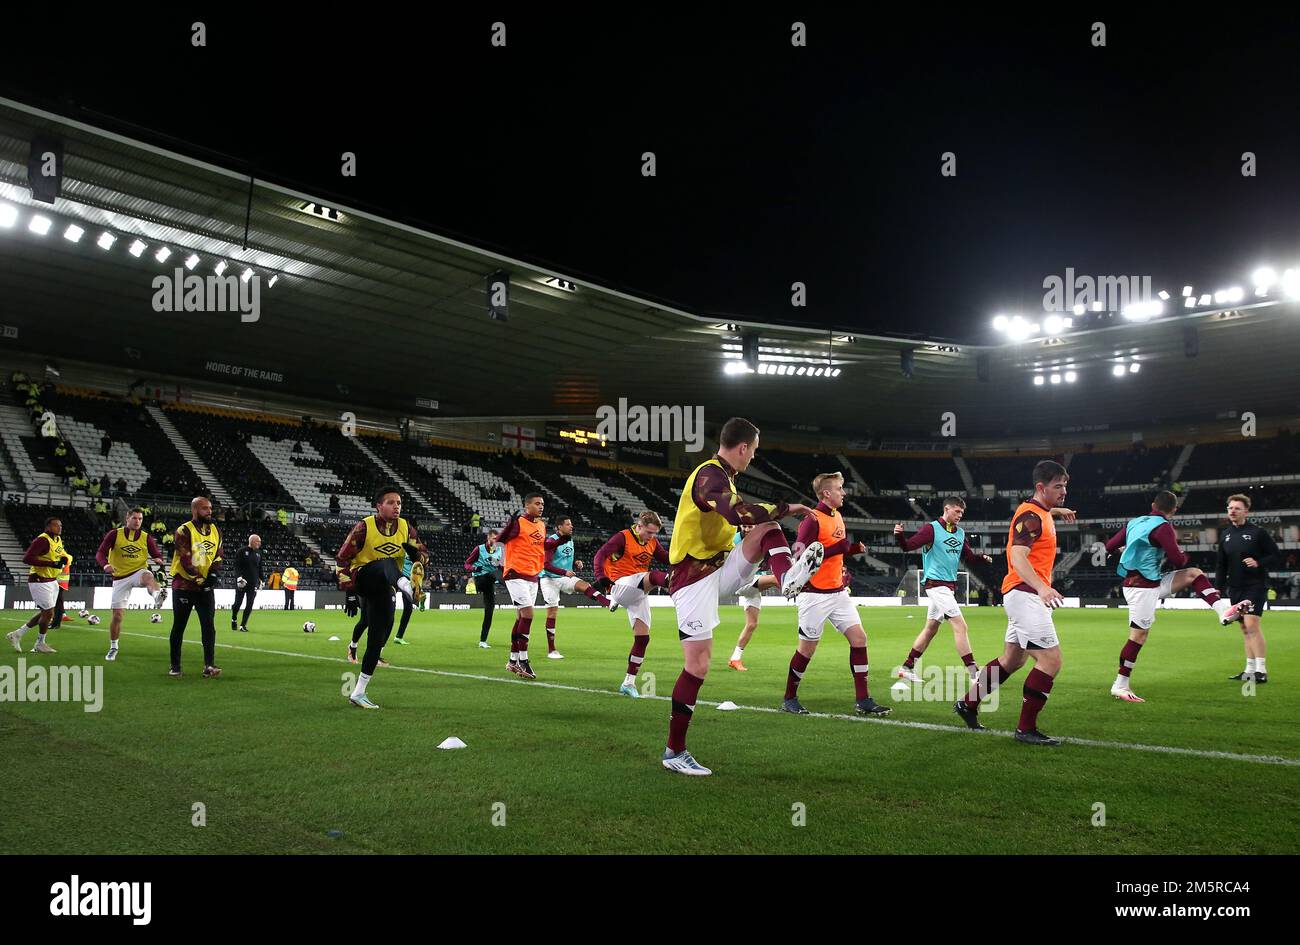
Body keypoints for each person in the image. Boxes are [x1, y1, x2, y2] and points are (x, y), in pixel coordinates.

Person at [661, 417, 820, 776]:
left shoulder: (725, 477)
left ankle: (788, 578)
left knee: (768, 530)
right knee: (697, 666)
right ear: (743, 447)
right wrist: (787, 506)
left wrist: (771, 516)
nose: (753, 458)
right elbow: (735, 510)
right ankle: (674, 751)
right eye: (754, 451)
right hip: (691, 578)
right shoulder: (709, 475)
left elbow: (742, 515)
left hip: (718, 567)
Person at [954, 460, 1074, 746]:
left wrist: (1058, 510)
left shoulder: (1040, 511)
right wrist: (1042, 588)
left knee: (1013, 659)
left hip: (1021, 594)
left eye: (1065, 486)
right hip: (1025, 594)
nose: (1064, 491)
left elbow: (1040, 512)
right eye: (1058, 486)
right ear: (1041, 487)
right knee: (1050, 660)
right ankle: (1025, 729)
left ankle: (967, 704)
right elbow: (1019, 557)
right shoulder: (1031, 516)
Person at [1103, 491, 1253, 702]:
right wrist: (1183, 553)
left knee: (1195, 574)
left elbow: (1109, 547)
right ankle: (1120, 685)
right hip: (1142, 589)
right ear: (1173, 510)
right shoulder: (1163, 527)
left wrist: (1128, 549)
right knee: (1138, 637)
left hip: (1148, 582)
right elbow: (1177, 560)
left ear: (1154, 504)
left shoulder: (1135, 522)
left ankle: (1222, 611)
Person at [778, 472, 890, 716]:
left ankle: (863, 700)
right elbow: (801, 557)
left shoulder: (837, 516)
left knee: (859, 639)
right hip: (813, 594)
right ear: (827, 493)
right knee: (806, 650)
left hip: (838, 592)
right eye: (840, 488)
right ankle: (789, 698)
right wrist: (838, 548)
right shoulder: (811, 520)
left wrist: (850, 550)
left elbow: (832, 553)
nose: (844, 492)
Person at [336, 486, 423, 708]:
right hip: (364, 577)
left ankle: (358, 692)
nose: (397, 506)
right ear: (379, 506)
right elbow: (342, 558)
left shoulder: (406, 527)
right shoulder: (364, 526)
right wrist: (350, 593)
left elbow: (424, 554)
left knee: (378, 637)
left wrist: (418, 555)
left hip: (385, 585)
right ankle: (407, 586)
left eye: (399, 503)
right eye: (391, 502)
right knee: (385, 563)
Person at [892, 496, 993, 683]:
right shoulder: (931, 529)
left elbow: (968, 557)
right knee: (961, 626)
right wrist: (899, 536)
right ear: (947, 509)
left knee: (931, 628)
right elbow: (907, 546)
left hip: (948, 586)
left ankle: (907, 667)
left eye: (962, 512)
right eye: (957, 511)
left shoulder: (960, 533)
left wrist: (982, 557)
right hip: (935, 585)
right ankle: (974, 673)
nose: (960, 515)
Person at [592, 510, 671, 696]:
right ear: (640, 526)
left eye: (654, 534)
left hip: (638, 591)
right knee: (654, 576)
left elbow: (667, 558)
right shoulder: (623, 537)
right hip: (620, 585)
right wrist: (601, 577)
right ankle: (679, 589)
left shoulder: (652, 541)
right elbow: (600, 555)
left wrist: (686, 555)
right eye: (649, 532)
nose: (651, 537)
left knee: (643, 639)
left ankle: (628, 683)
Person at [1218, 493, 1280, 684]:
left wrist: (1258, 562)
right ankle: (1249, 670)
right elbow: (1221, 564)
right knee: (1245, 629)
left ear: (1246, 511)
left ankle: (1261, 671)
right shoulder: (1225, 534)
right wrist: (1217, 589)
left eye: (1237, 508)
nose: (1232, 511)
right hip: (1235, 588)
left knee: (1252, 625)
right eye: (1230, 508)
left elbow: (1275, 554)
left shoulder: (1258, 532)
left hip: (1254, 585)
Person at [538, 515, 616, 660]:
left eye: (571, 524)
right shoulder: (551, 541)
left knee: (584, 585)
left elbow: (564, 559)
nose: (571, 526)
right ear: (559, 527)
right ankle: (551, 650)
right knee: (552, 614)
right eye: (568, 524)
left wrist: (576, 563)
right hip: (548, 579)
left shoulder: (570, 540)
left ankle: (608, 603)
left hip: (564, 577)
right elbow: (546, 565)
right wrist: (565, 572)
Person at [95, 507, 169, 661]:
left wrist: (158, 559)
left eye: (140, 519)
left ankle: (157, 596)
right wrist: (105, 565)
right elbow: (100, 553)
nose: (137, 521)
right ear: (127, 519)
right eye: (134, 518)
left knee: (148, 576)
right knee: (117, 616)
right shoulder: (115, 534)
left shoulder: (146, 537)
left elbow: (156, 553)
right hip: (119, 577)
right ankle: (113, 647)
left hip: (138, 571)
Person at [168, 497, 224, 678]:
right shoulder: (184, 530)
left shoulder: (215, 530)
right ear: (194, 510)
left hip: (205, 588)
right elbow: (185, 559)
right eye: (204, 508)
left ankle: (209, 665)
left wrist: (213, 574)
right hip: (184, 586)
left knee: (209, 626)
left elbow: (218, 554)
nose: (209, 511)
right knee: (179, 626)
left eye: (210, 508)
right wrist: (201, 580)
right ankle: (175, 666)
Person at [6, 516, 69, 654]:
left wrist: (64, 558)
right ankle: (40, 644)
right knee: (48, 613)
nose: (59, 527)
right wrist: (51, 563)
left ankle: (16, 634)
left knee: (45, 613)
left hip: (52, 580)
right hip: (39, 580)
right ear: (48, 527)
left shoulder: (57, 539)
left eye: (60, 525)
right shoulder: (42, 540)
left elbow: (59, 554)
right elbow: (27, 558)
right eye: (56, 525)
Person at [727, 525, 780, 671]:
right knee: (777, 579)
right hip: (740, 582)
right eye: (744, 526)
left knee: (752, 624)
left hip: (752, 583)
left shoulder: (761, 540)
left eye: (750, 526)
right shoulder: (736, 540)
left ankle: (735, 658)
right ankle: (801, 590)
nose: (747, 529)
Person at [465, 529, 503, 647]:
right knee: (493, 575)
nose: (495, 541)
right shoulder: (479, 549)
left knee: (490, 610)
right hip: (480, 579)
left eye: (497, 539)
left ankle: (482, 641)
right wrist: (475, 569)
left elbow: (502, 566)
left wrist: (498, 563)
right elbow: (467, 564)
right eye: (493, 539)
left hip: (490, 582)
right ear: (488, 538)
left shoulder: (500, 550)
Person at [231, 534, 263, 632]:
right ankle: (234, 618)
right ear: (252, 541)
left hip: (253, 583)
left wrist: (262, 580)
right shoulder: (241, 551)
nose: (259, 543)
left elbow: (259, 568)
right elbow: (237, 566)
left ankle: (243, 625)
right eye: (258, 541)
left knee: (250, 604)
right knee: (237, 604)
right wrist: (239, 578)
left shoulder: (259, 553)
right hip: (242, 582)